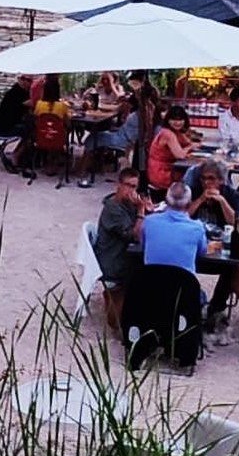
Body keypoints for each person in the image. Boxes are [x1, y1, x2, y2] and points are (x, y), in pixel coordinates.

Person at [93, 167, 149, 332]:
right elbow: (135, 235)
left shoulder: (127, 204)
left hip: (122, 255)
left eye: (135, 187)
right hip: (115, 261)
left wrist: (147, 209)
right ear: (119, 184)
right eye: (128, 186)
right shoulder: (113, 208)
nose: (132, 191)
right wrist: (141, 212)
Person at [141, 182, 210, 275]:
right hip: (183, 287)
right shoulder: (197, 227)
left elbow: (144, 245)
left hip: (153, 285)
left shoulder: (149, 221)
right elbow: (201, 252)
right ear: (189, 203)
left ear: (166, 200)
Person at [75, 93, 141, 187]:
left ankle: (82, 170)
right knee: (99, 134)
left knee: (92, 138)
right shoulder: (139, 114)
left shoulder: (134, 116)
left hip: (121, 139)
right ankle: (96, 164)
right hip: (123, 137)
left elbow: (128, 131)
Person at [146, 104, 197, 198]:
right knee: (195, 177)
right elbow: (180, 155)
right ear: (168, 120)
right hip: (161, 173)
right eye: (174, 120)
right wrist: (190, 147)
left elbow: (188, 143)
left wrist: (190, 145)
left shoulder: (175, 132)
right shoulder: (167, 133)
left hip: (169, 168)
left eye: (180, 120)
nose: (177, 123)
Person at [190, 156, 239, 226]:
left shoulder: (233, 195)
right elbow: (184, 215)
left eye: (211, 178)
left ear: (221, 180)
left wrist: (222, 201)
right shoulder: (194, 191)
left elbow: (234, 222)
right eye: (203, 178)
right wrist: (200, 199)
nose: (206, 182)